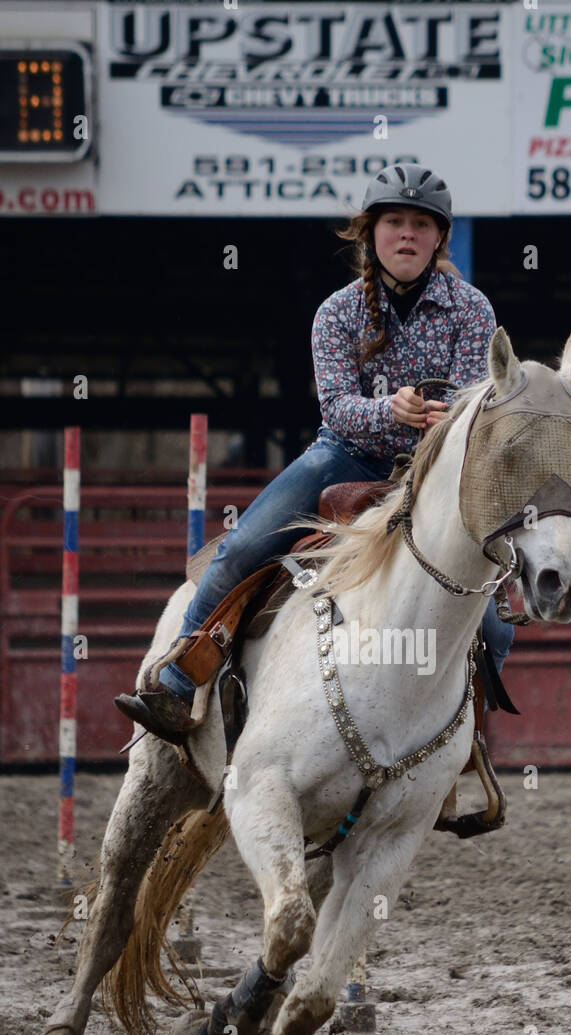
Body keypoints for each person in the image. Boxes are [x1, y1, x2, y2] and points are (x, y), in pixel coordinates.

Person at [117, 162, 513, 742]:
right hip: (345, 457)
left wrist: (444, 418)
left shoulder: (473, 309)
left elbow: (472, 400)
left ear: (439, 238)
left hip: (436, 473)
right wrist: (390, 412)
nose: (407, 234)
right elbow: (336, 407)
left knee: (497, 615)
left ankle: (465, 739)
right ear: (370, 233)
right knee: (242, 549)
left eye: (422, 225)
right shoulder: (336, 312)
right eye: (394, 221)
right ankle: (177, 684)